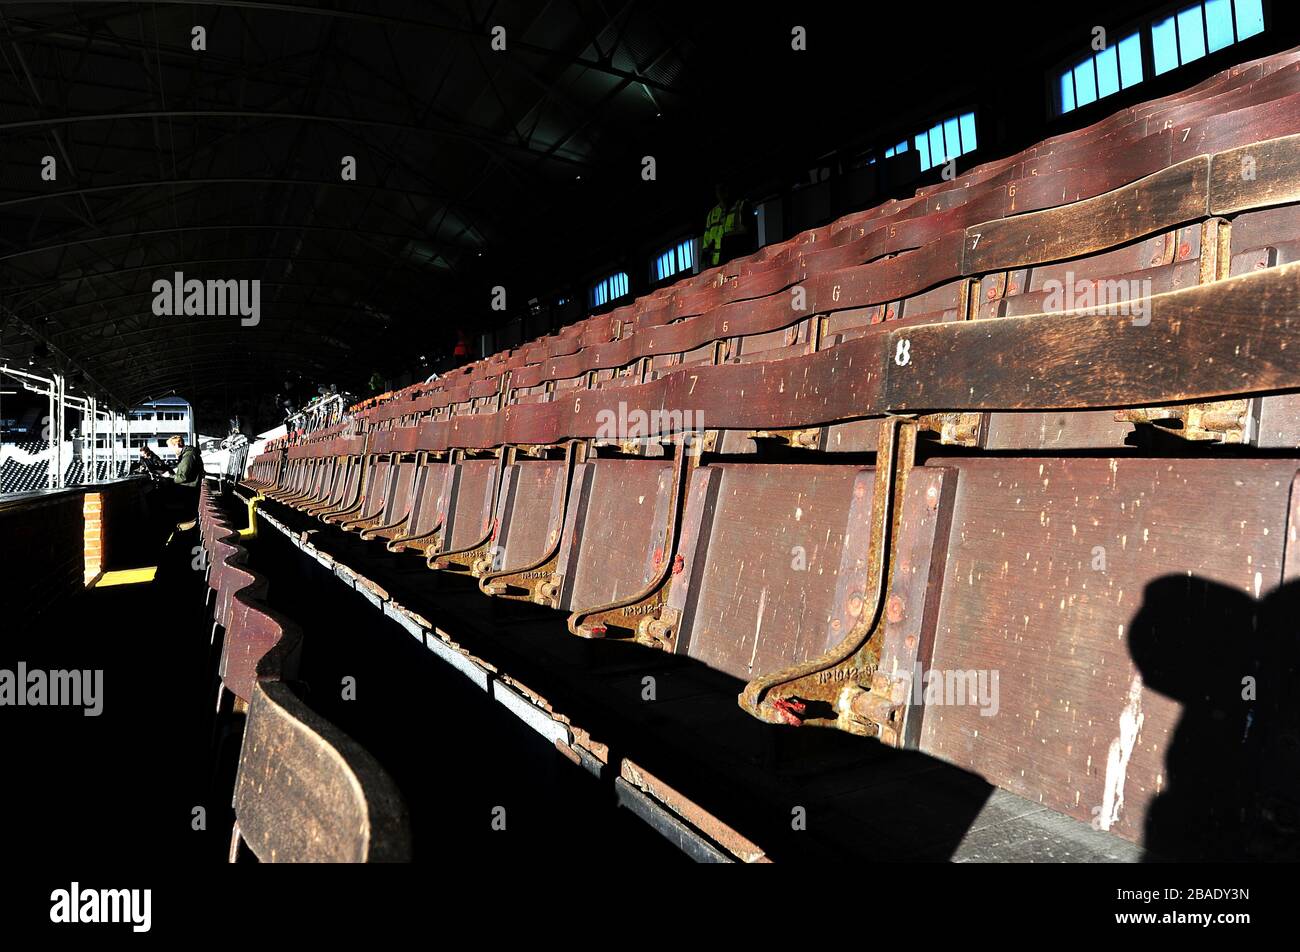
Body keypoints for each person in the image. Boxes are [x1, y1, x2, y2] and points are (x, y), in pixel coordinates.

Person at [701, 184, 752, 269]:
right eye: (719, 190)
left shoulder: (742, 205)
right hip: (716, 264)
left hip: (737, 260)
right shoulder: (712, 213)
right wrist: (706, 255)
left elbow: (749, 234)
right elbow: (707, 239)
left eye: (723, 189)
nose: (721, 193)